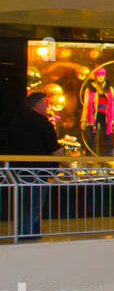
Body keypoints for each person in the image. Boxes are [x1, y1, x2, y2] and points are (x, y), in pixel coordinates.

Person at [9, 92, 60, 240]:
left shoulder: (16, 121)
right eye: (45, 103)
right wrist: (68, 166)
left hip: (18, 169)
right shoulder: (43, 123)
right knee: (34, 204)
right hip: (38, 170)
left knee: (23, 203)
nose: (47, 107)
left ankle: (27, 232)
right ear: (38, 105)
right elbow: (55, 149)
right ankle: (28, 234)